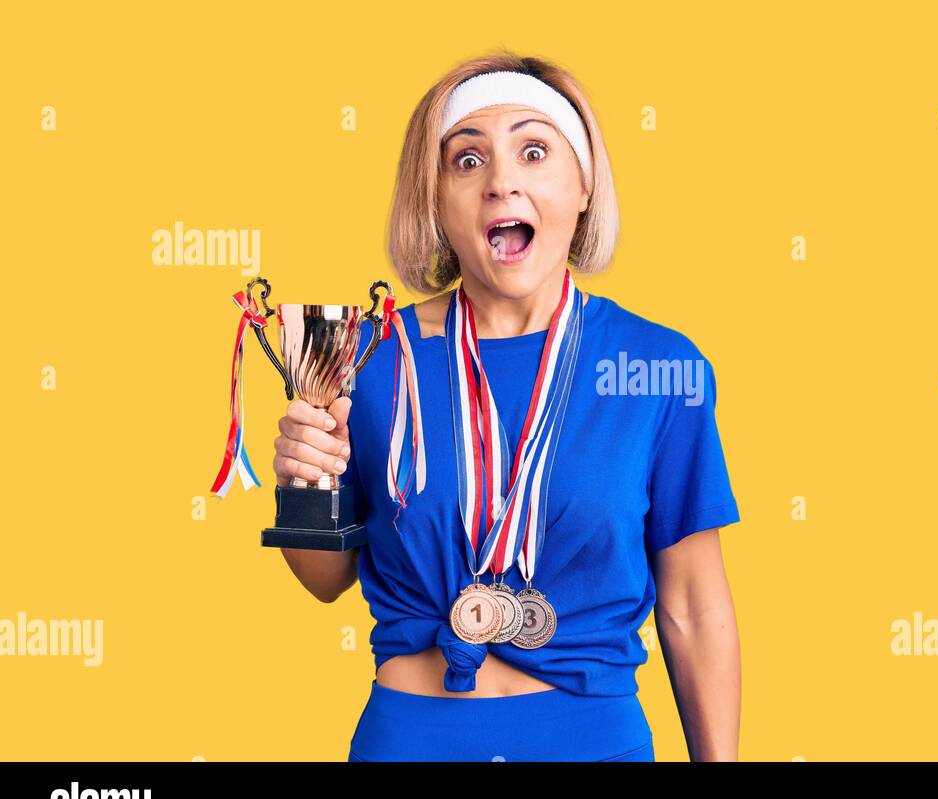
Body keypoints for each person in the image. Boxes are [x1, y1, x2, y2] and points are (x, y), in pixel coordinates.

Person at [274, 52, 741, 761]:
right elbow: (325, 583)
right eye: (467, 160)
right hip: (411, 738)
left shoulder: (659, 368)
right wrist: (302, 487)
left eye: (533, 151)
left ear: (583, 185)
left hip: (593, 741)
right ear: (433, 199)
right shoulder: (368, 354)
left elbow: (694, 607)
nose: (501, 182)